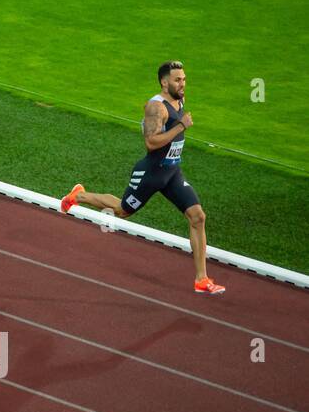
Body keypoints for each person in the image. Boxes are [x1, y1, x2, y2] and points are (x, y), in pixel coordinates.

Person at [60, 60, 225, 295]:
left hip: (172, 173)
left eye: (184, 79)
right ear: (164, 81)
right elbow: (150, 143)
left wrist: (179, 125)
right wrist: (180, 126)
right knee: (122, 211)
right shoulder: (155, 108)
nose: (183, 84)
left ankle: (202, 279)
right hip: (151, 173)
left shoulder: (179, 100)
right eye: (178, 80)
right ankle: (80, 195)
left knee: (197, 216)